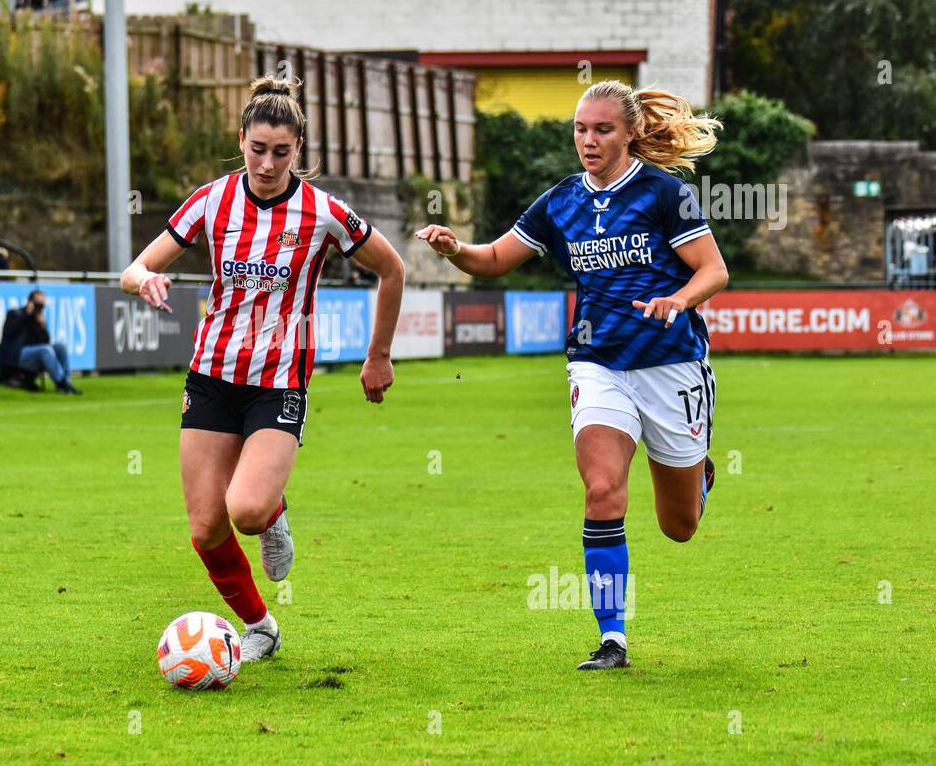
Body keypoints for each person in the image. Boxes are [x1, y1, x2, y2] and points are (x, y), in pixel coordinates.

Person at [414, 80, 728, 671]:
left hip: (671, 365)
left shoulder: (665, 194)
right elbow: (495, 260)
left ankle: (699, 476)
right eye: (581, 129)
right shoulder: (561, 201)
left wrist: (680, 300)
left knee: (679, 526)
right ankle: (613, 639)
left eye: (602, 129)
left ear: (630, 133)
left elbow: (713, 270)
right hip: (598, 364)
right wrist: (456, 248)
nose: (589, 140)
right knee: (603, 490)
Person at [119, 76, 405, 663]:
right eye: (258, 149)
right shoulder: (211, 200)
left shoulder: (325, 213)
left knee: (245, 511)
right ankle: (261, 626)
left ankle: (273, 514)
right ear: (240, 140)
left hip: (279, 384)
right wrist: (145, 278)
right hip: (211, 377)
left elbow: (392, 268)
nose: (268, 163)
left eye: (281, 152)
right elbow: (134, 267)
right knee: (204, 527)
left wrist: (378, 354)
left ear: (298, 148)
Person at [0, 290, 82, 394]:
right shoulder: (15, 314)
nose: (40, 308)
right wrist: (26, 314)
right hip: (16, 356)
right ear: (30, 302)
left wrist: (42, 326)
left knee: (60, 347)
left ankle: (67, 381)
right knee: (45, 350)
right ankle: (61, 383)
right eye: (38, 305)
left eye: (42, 306)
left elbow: (45, 341)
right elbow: (9, 333)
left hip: (35, 355)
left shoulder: (37, 319)